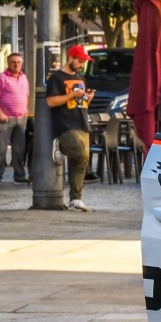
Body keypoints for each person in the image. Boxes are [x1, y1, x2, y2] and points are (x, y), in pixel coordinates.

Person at [45, 46, 95, 213]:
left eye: (84, 63)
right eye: (79, 61)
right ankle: (60, 145)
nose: (81, 65)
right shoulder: (56, 78)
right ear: (71, 58)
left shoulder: (80, 77)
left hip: (81, 121)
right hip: (65, 122)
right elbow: (51, 102)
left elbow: (82, 104)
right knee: (81, 154)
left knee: (81, 160)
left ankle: (75, 199)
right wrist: (72, 95)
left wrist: (88, 99)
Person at [0, 51, 31, 186]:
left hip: (20, 118)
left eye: (19, 62)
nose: (16, 65)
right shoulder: (1, 78)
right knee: (1, 148)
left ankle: (19, 175)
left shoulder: (24, 78)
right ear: (8, 63)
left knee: (19, 149)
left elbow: (26, 95)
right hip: (4, 118)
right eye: (13, 62)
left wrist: (26, 110)